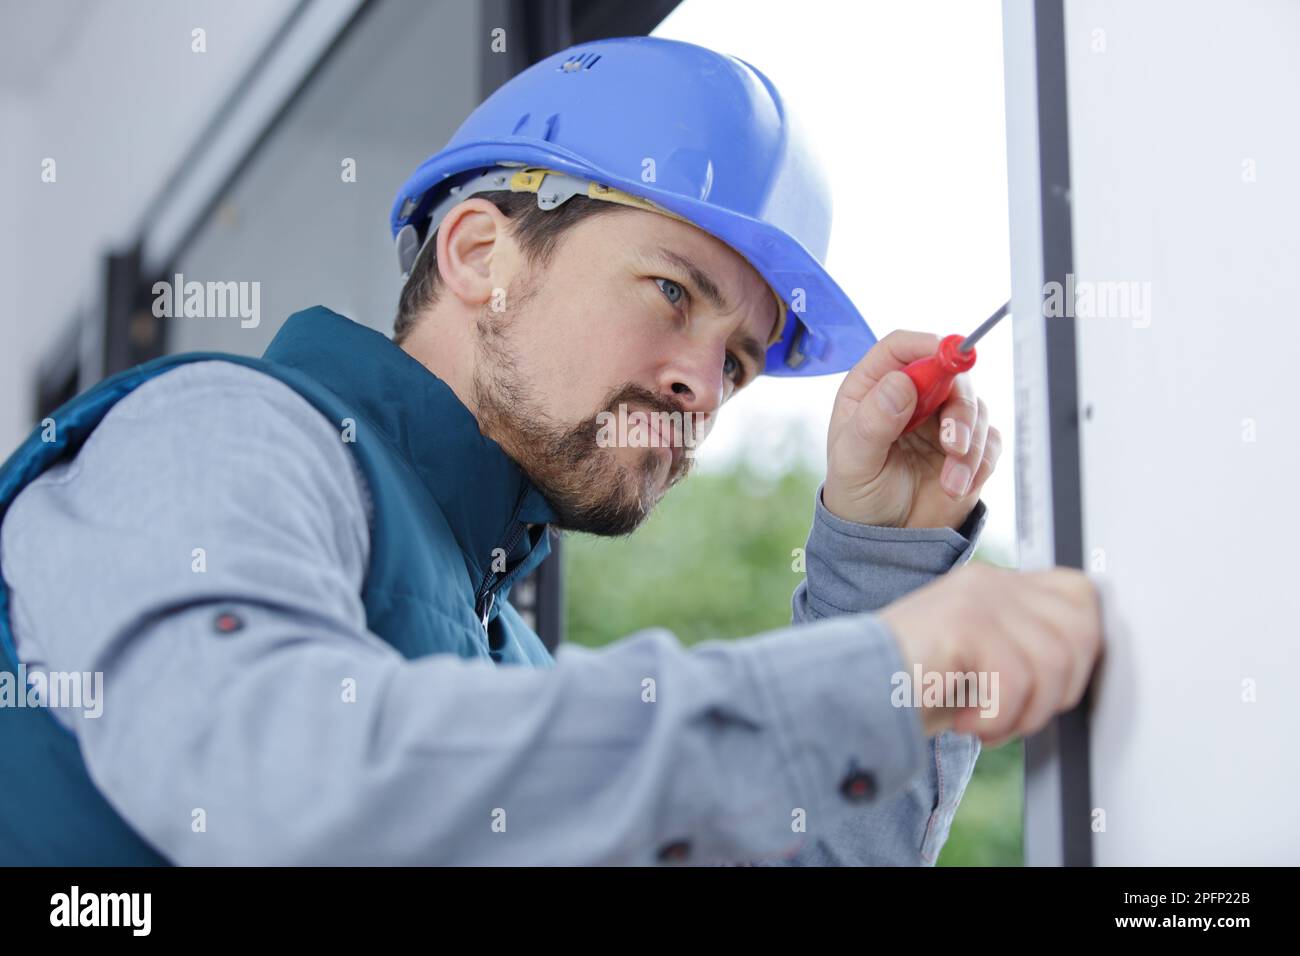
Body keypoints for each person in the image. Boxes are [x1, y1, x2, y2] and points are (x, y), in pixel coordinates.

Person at [0, 36, 1100, 865]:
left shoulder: (507, 673)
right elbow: (272, 779)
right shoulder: (221, 435)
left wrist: (883, 561)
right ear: (482, 253)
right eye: (671, 291)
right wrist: (876, 672)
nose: (699, 386)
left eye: (740, 365)